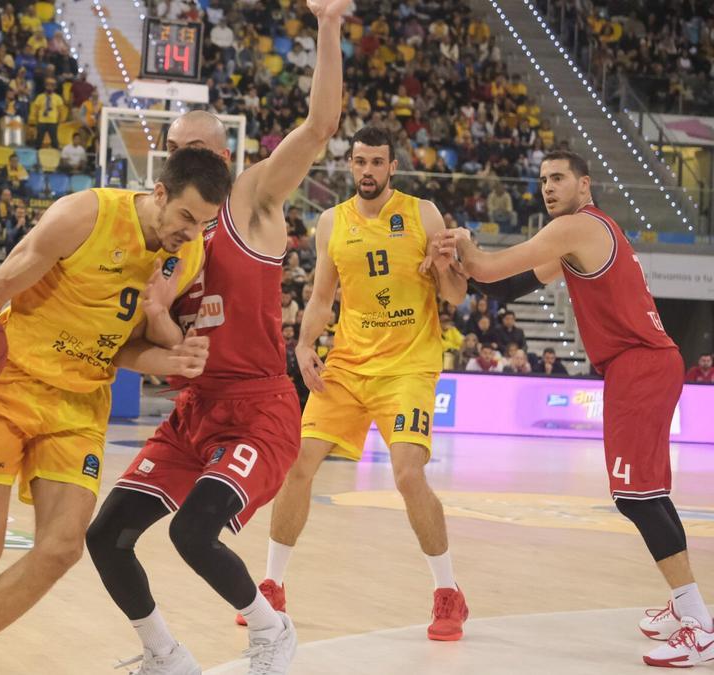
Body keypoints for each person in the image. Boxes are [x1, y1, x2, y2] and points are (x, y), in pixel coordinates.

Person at [0, 148, 231, 675]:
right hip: (8, 386)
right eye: (185, 217)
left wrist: (169, 357)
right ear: (160, 193)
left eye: (205, 223)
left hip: (79, 406)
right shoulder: (85, 215)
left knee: (61, 549)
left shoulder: (187, 255)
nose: (192, 231)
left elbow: (124, 348)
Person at [85, 2, 349, 671]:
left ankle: (271, 629)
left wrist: (326, 25)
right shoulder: (167, 233)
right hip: (194, 409)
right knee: (107, 536)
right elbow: (166, 342)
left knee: (193, 531)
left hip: (258, 408)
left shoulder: (251, 200)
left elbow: (320, 126)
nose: (184, 160)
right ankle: (166, 655)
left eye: (197, 150)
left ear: (223, 156)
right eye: (175, 151)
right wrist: (160, 315)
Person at [434, 149, 712, 666]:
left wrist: (465, 246)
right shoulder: (575, 240)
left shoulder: (576, 228)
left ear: (585, 185)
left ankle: (698, 621)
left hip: (641, 365)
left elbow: (489, 265)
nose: (548, 187)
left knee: (636, 497)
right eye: (542, 180)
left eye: (558, 178)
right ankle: (686, 604)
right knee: (646, 493)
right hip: (643, 365)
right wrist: (460, 271)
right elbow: (504, 287)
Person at [265, 124, 470, 643]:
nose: (368, 171)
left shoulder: (423, 213)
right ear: (350, 165)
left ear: (393, 166)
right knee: (297, 464)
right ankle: (271, 585)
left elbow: (455, 297)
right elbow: (320, 296)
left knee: (406, 476)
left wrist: (447, 268)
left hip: (408, 367)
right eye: (360, 162)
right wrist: (306, 345)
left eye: (377, 162)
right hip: (349, 366)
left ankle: (448, 594)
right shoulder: (331, 222)